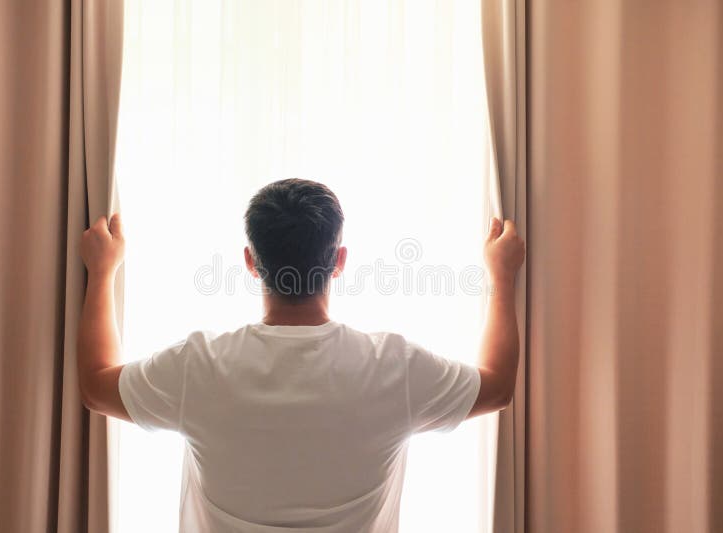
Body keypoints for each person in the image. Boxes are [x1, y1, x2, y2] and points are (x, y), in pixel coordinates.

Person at [78, 178, 525, 532]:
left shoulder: (199, 366)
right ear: (340, 260)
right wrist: (501, 277)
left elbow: (96, 386)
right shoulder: (394, 367)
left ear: (250, 261)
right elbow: (498, 385)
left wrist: (101, 273)